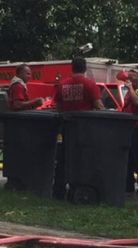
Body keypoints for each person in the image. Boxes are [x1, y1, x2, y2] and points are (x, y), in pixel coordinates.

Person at [52, 57, 102, 198]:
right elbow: (98, 105)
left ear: (71, 67)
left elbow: (58, 107)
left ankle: (58, 190)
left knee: (63, 159)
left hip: (67, 128)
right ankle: (80, 188)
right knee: (84, 159)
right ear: (85, 68)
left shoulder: (62, 85)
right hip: (85, 129)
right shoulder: (90, 84)